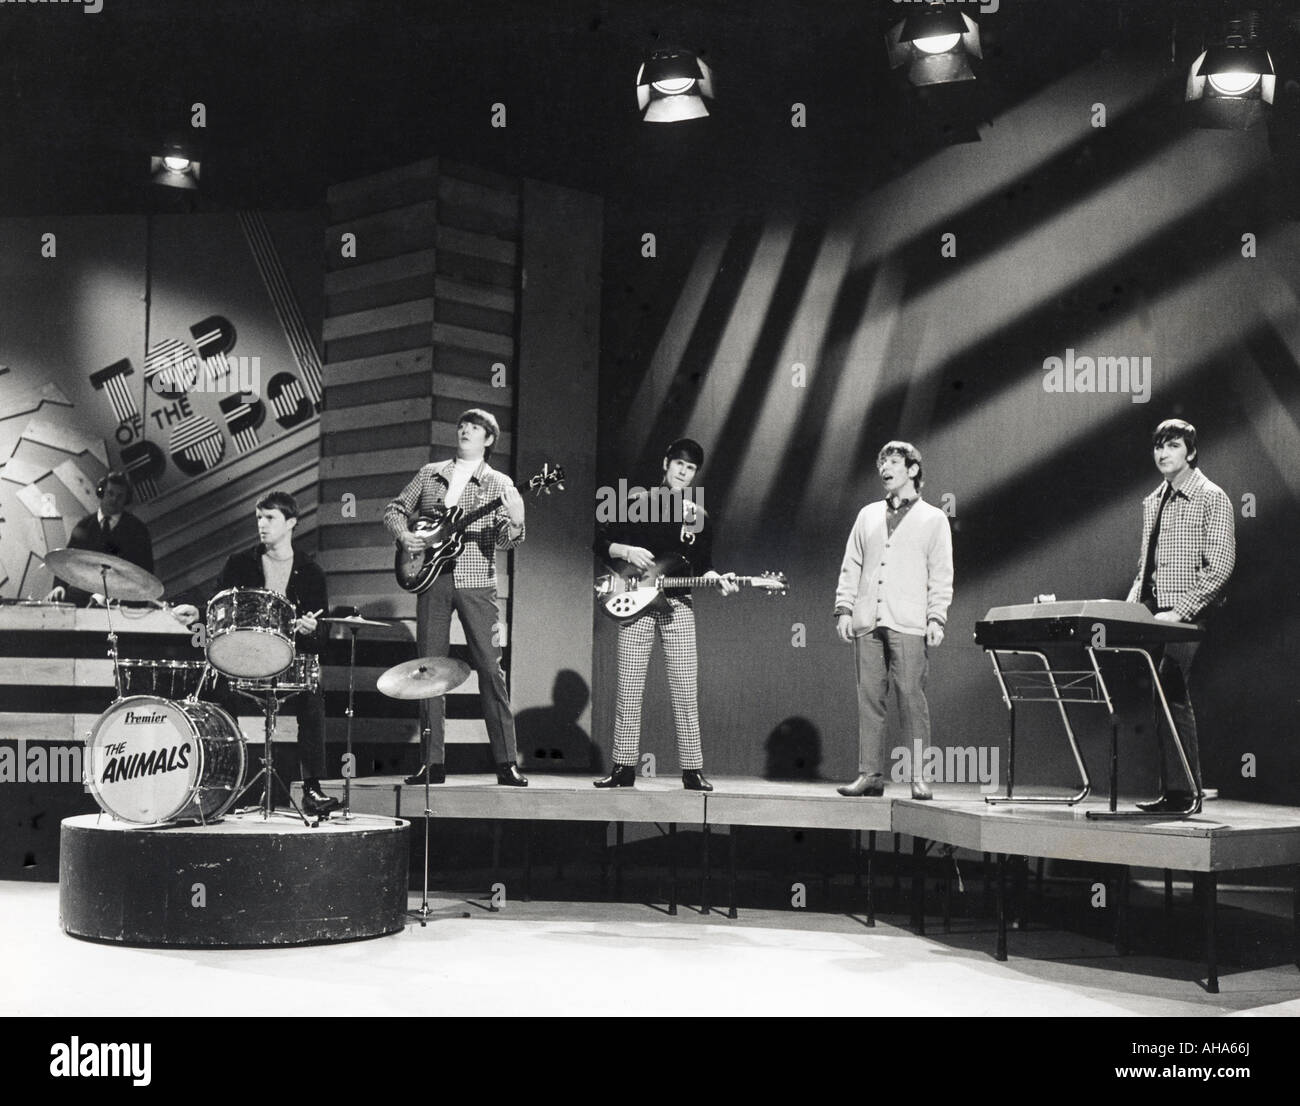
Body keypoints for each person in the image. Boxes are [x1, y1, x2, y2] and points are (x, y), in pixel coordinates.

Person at [171, 491, 340, 818]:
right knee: (216, 694)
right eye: (259, 518)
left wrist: (311, 630)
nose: (261, 525)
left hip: (289, 667)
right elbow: (219, 610)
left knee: (314, 696)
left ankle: (312, 789)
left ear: (291, 523)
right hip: (244, 667)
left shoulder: (311, 572)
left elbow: (322, 641)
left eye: (270, 518)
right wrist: (198, 613)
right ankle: (223, 783)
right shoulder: (239, 564)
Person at [383, 408, 528, 786]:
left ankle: (506, 761)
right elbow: (394, 509)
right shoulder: (431, 473)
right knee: (428, 668)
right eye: (462, 425)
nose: (465, 430)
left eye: (475, 427)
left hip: (476, 580)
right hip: (432, 579)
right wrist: (405, 536)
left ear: (489, 439)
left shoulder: (499, 483)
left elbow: (503, 541)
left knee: (490, 669)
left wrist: (516, 520)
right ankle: (431, 763)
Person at [591, 438, 737, 792]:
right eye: (679, 465)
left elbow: (704, 566)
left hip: (678, 604)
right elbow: (600, 541)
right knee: (629, 688)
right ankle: (623, 768)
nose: (684, 473)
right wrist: (626, 549)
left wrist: (717, 579)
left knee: (686, 689)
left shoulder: (698, 516)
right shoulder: (638, 502)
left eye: (690, 469)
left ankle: (692, 769)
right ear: (666, 463)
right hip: (636, 603)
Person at [1124, 418, 1235, 815]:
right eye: (1158, 446)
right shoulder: (1152, 501)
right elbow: (1145, 567)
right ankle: (1175, 790)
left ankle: (1187, 791)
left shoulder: (1211, 497)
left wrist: (1181, 610)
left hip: (1186, 616)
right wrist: (1129, 611)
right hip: (1152, 616)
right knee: (1161, 696)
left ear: (1190, 451)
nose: (1163, 453)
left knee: (1171, 688)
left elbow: (1220, 566)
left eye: (1172, 445)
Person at [833, 441, 953, 800]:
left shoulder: (934, 518)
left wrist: (937, 617)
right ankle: (869, 774)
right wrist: (844, 608)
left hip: (910, 621)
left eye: (894, 462)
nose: (885, 467)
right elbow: (851, 563)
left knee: (911, 697)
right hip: (867, 620)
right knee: (869, 698)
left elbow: (941, 572)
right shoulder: (867, 515)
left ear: (912, 470)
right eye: (882, 461)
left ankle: (919, 776)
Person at [47, 469, 154, 606]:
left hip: (122, 599)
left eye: (120, 496)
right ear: (101, 493)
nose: (114, 499)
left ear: (126, 500)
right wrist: (59, 586)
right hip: (84, 595)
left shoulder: (138, 530)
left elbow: (145, 573)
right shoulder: (84, 526)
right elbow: (67, 560)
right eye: (110, 493)